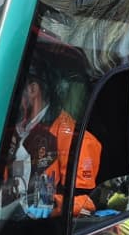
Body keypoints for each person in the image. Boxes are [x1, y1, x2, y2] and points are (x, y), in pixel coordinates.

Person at [6, 75, 101, 218]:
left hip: (46, 231)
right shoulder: (13, 131)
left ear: (32, 89)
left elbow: (87, 202)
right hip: (5, 221)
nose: (7, 99)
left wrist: (53, 205)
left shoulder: (76, 138)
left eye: (12, 90)